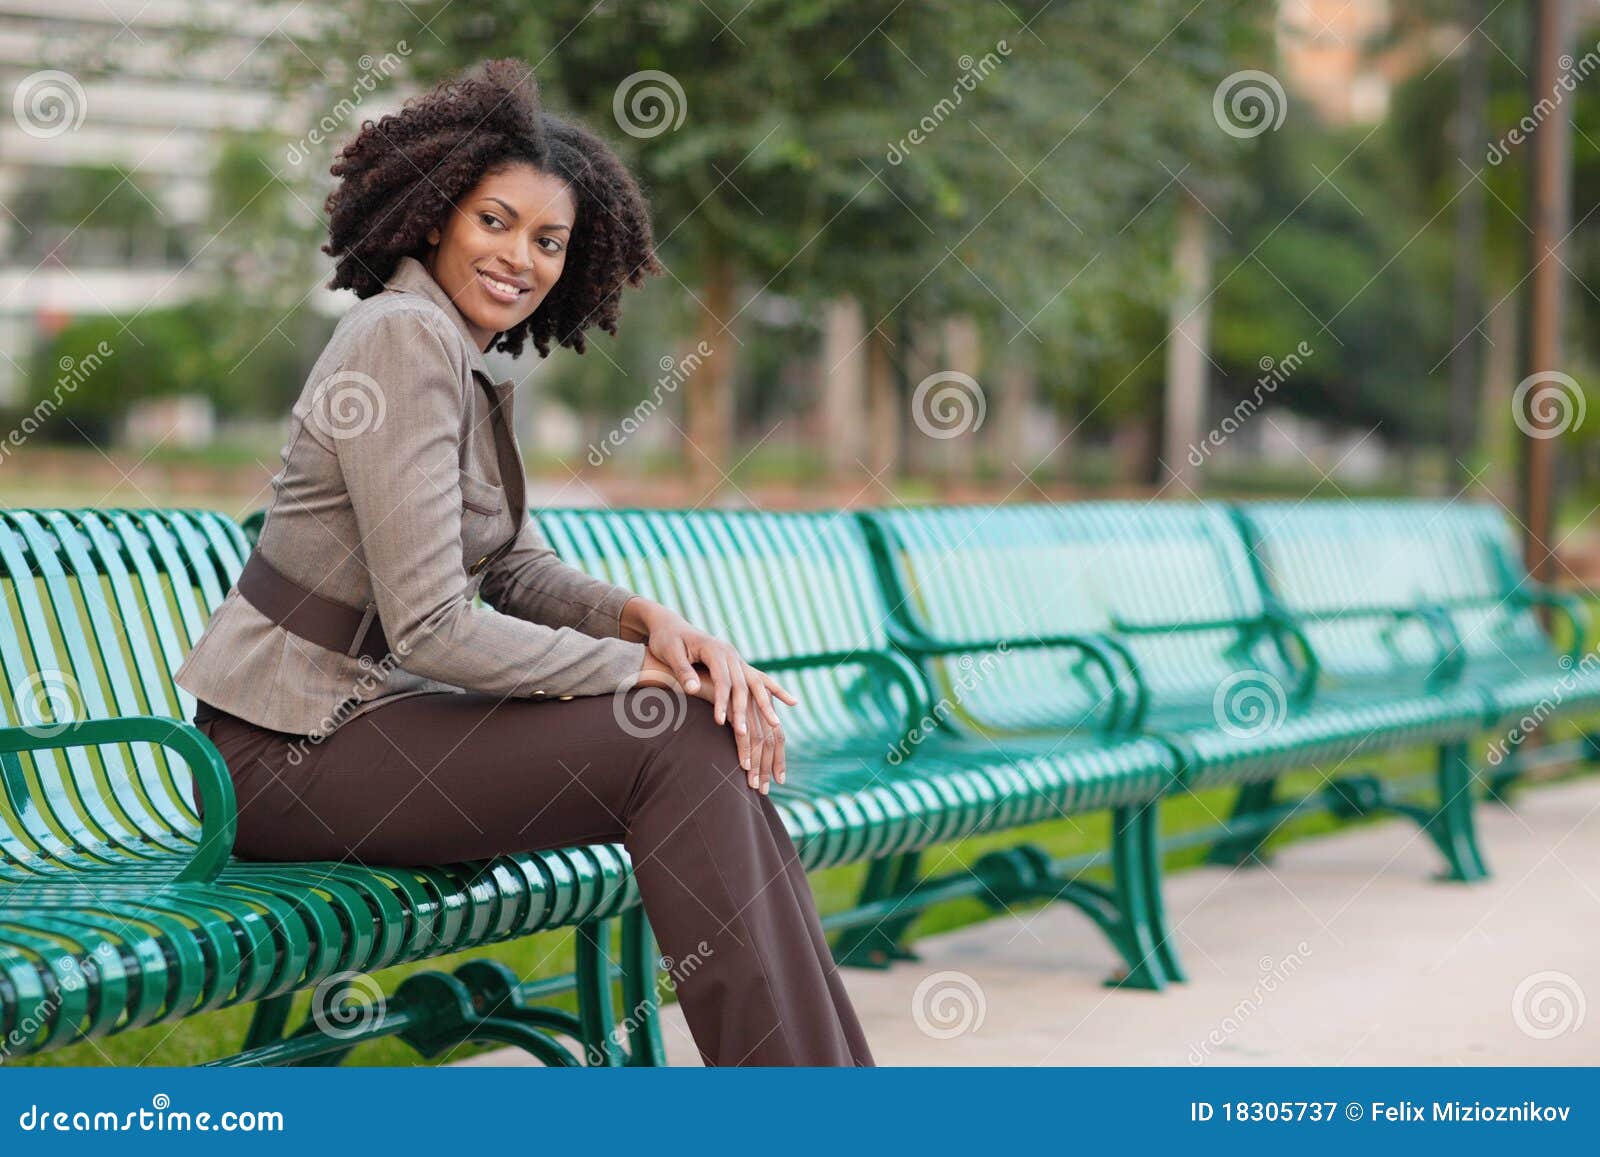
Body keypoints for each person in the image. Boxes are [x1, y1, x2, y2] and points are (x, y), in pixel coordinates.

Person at [173, 57, 873, 1068]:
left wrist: (648, 625)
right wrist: (636, 673)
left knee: (692, 734)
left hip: (364, 733)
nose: (521, 256)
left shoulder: (450, 351)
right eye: (494, 221)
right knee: (671, 735)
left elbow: (510, 567)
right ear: (433, 216)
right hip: (285, 753)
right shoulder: (403, 339)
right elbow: (434, 625)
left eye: (548, 239)